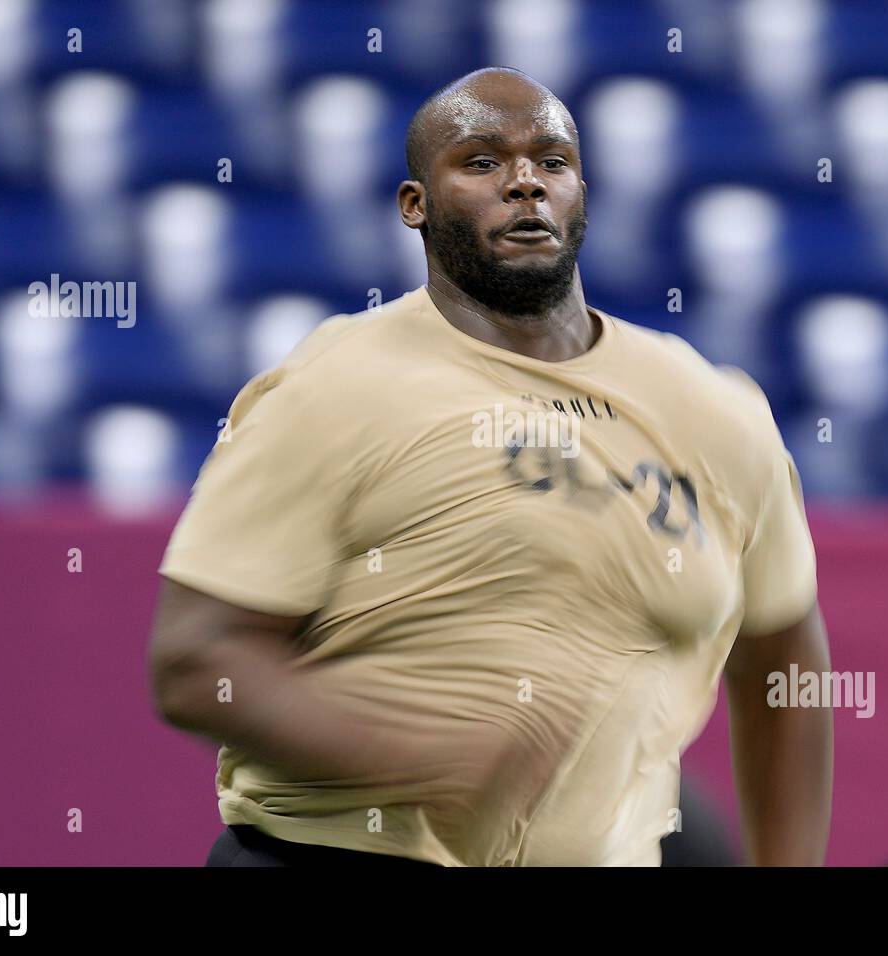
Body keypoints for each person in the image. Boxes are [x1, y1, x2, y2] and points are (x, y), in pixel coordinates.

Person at [148, 66, 833, 867]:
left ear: (583, 190)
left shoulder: (712, 411)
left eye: (552, 162)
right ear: (416, 205)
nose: (524, 185)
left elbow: (786, 667)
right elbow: (197, 662)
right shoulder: (333, 387)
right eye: (480, 162)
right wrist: (419, 755)